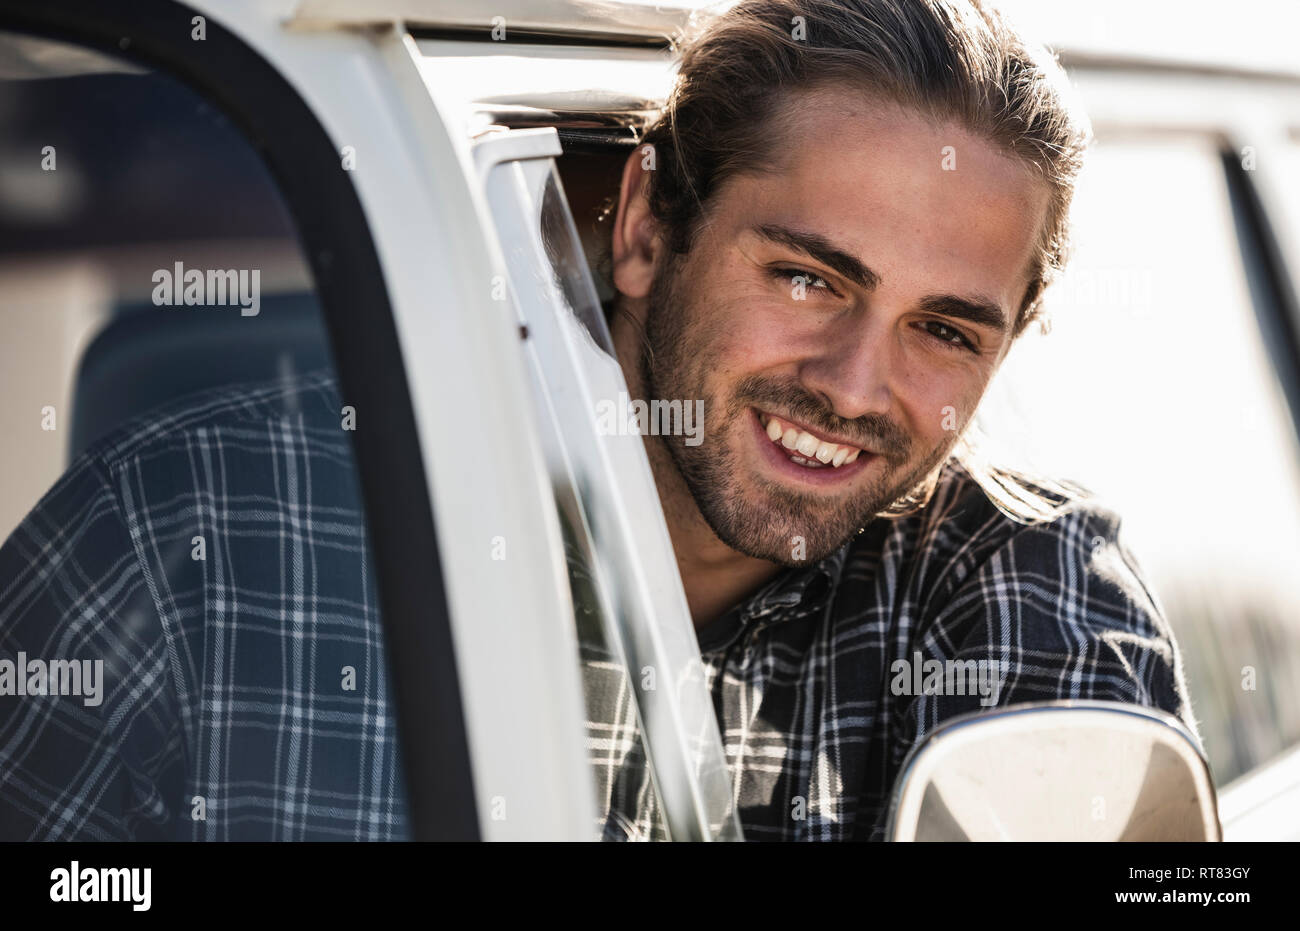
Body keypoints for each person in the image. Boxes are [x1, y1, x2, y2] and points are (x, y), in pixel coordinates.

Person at [0, 0, 1197, 841]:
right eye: (806, 278)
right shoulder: (184, 536)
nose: (850, 386)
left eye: (944, 329)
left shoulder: (1016, 590)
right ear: (641, 230)